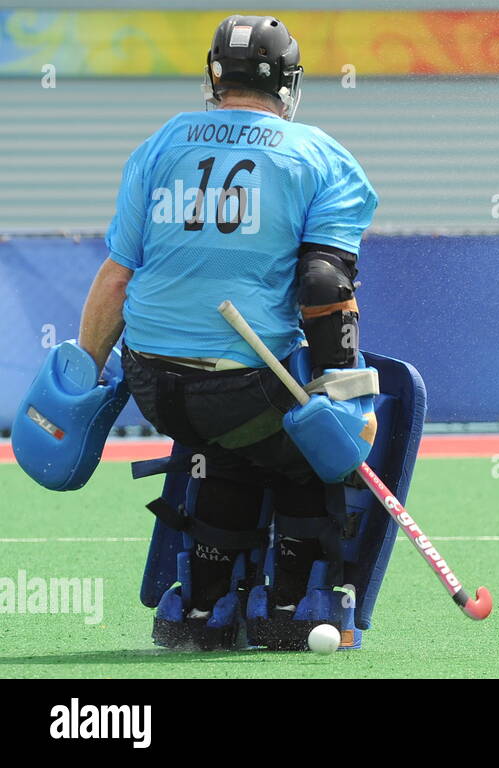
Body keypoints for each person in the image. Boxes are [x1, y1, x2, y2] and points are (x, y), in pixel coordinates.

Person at [76, 15, 379, 648]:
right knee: (307, 454)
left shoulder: (161, 144)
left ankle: (203, 605)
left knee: (229, 446)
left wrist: (83, 374)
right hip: (241, 383)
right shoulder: (320, 156)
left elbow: (115, 278)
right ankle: (292, 606)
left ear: (214, 77)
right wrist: (343, 393)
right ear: (289, 83)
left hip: (152, 384)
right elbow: (324, 286)